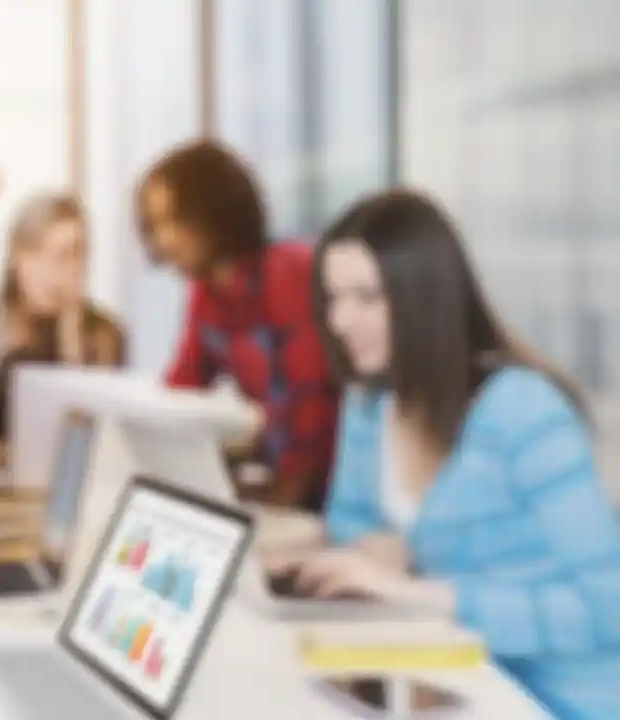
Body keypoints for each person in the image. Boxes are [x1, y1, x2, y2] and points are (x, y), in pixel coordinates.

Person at [283, 190, 620, 719]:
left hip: (558, 699)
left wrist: (429, 593)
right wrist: (383, 552)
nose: (340, 319)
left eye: (367, 298)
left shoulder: (522, 410)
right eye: (332, 297)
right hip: (453, 676)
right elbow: (349, 527)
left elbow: (607, 609)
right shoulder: (370, 402)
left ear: (425, 300)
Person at [137, 140, 338, 512]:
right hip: (281, 484)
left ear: (212, 212)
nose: (163, 240)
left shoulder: (287, 274)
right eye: (156, 224)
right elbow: (183, 389)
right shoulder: (206, 292)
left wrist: (278, 503)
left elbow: (311, 409)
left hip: (328, 493)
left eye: (174, 221)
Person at [0, 193, 125, 468]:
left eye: (74, 254)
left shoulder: (104, 333)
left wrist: (71, 336)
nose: (58, 270)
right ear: (18, 258)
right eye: (43, 254)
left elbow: (91, 440)